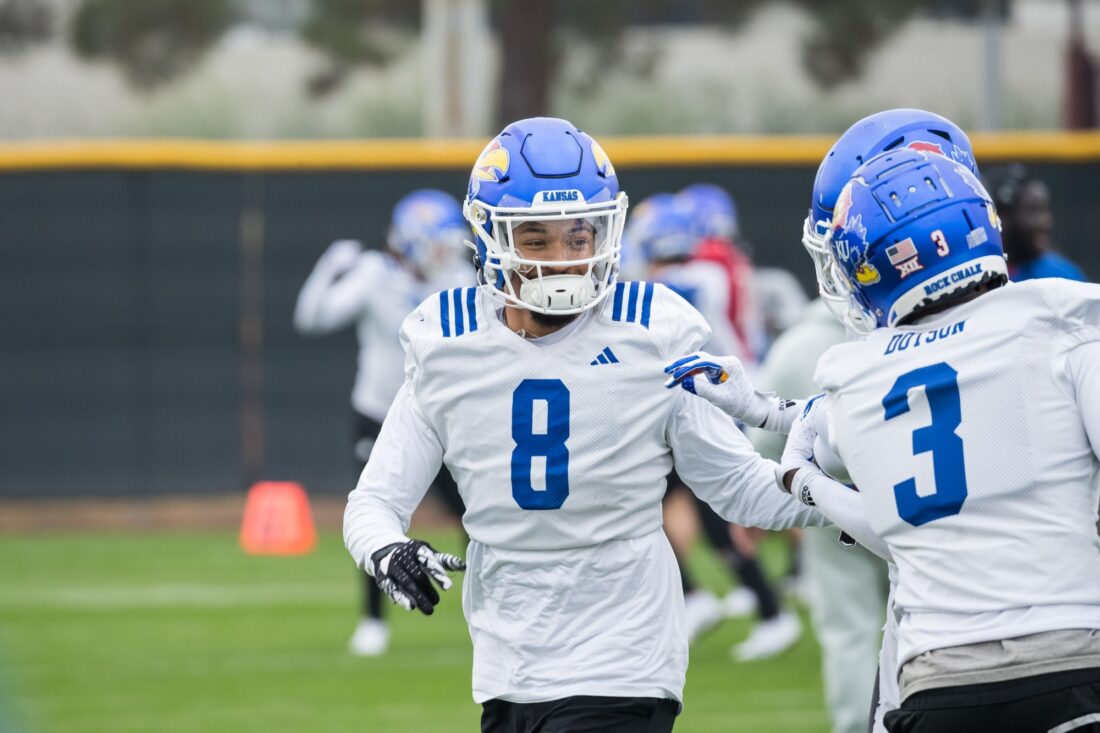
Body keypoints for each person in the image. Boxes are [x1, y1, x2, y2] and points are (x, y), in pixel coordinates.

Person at [343, 117, 825, 731]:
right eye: (537, 240)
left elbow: (737, 486)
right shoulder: (446, 339)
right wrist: (386, 550)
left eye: (579, 237)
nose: (566, 260)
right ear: (491, 238)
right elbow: (374, 501)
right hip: (506, 665)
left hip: (623, 661)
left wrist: (846, 493)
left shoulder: (652, 331)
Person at [675, 147, 1100, 732]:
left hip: (936, 673)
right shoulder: (1067, 315)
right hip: (1074, 653)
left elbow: (844, 459)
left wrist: (795, 466)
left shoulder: (856, 371)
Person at [294, 189, 470, 656]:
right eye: (437, 242)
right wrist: (329, 269)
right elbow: (311, 317)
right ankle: (373, 621)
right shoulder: (375, 274)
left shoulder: (458, 276)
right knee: (373, 513)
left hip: (441, 413)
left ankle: (490, 603)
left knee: (477, 511)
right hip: (378, 412)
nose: (445, 252)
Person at [628, 192, 802, 659]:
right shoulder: (714, 268)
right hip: (721, 393)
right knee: (692, 509)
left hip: (723, 397)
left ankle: (763, 603)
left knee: (712, 507)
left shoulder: (687, 281)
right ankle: (728, 599)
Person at [987, 163, 1088, 282]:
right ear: (1003, 215)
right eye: (1033, 210)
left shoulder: (1061, 275)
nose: (1045, 222)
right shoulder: (981, 273)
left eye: (1045, 210)